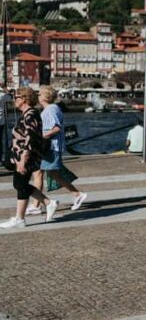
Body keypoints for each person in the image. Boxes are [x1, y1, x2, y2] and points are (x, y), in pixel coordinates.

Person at [0, 88, 59, 229]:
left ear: (24, 99)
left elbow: (31, 139)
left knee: (20, 185)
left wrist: (23, 160)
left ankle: (20, 219)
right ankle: (48, 203)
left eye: (17, 97)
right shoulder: (27, 114)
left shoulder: (30, 115)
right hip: (21, 157)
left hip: (26, 158)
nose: (15, 99)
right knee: (19, 184)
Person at [31, 86, 87, 213]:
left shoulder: (50, 109)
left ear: (45, 96)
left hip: (51, 146)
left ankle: (77, 194)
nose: (38, 96)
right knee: (40, 173)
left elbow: (56, 128)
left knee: (50, 174)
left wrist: (40, 136)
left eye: (39, 94)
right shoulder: (51, 109)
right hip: (50, 147)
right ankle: (36, 205)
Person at [0, 87, 11, 165]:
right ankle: (1, 158)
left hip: (1, 121)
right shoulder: (3, 95)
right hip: (1, 121)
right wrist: (6, 91)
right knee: (1, 141)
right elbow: (10, 98)